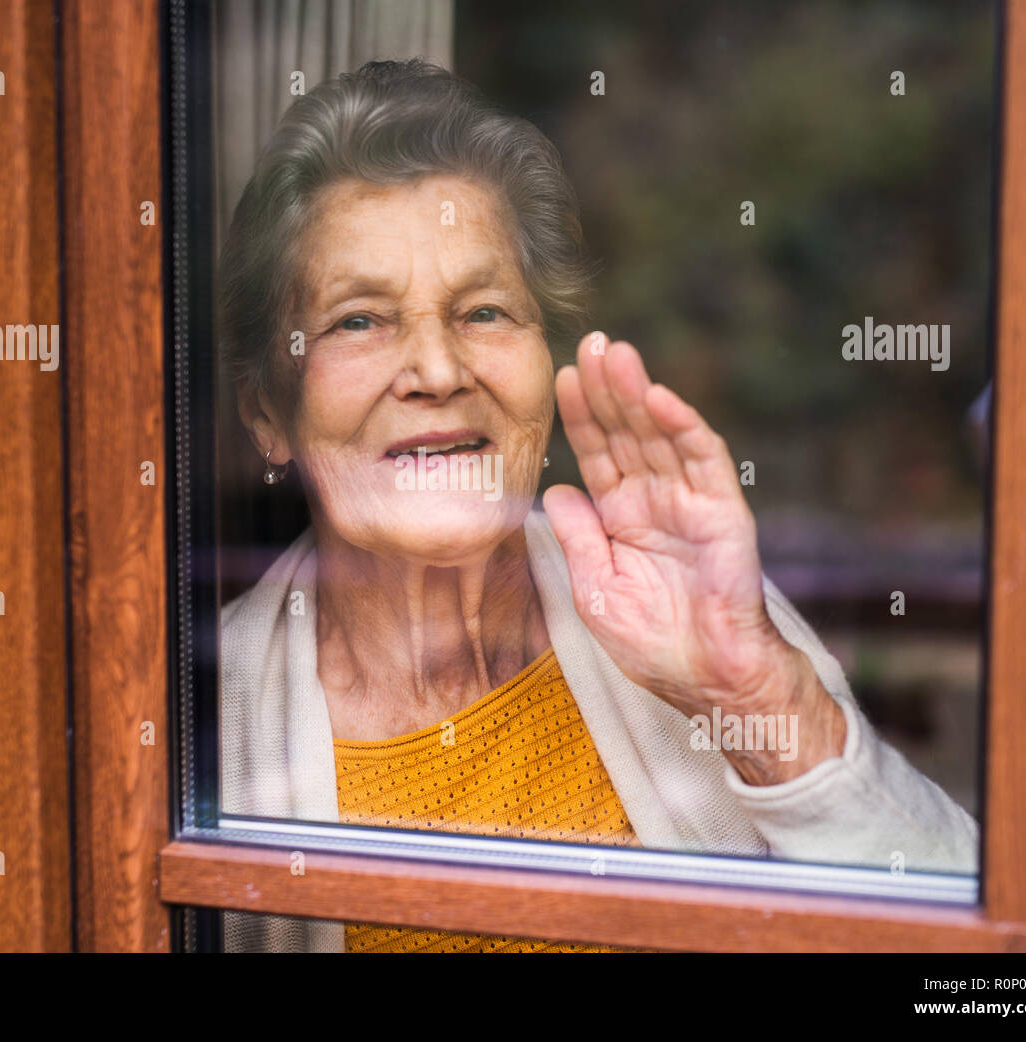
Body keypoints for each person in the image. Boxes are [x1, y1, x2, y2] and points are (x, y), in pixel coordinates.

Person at [218, 58, 976, 953]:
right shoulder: (207, 717)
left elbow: (984, 987)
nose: (437, 371)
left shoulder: (666, 602)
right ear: (270, 413)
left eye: (485, 311)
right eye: (360, 320)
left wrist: (751, 693)